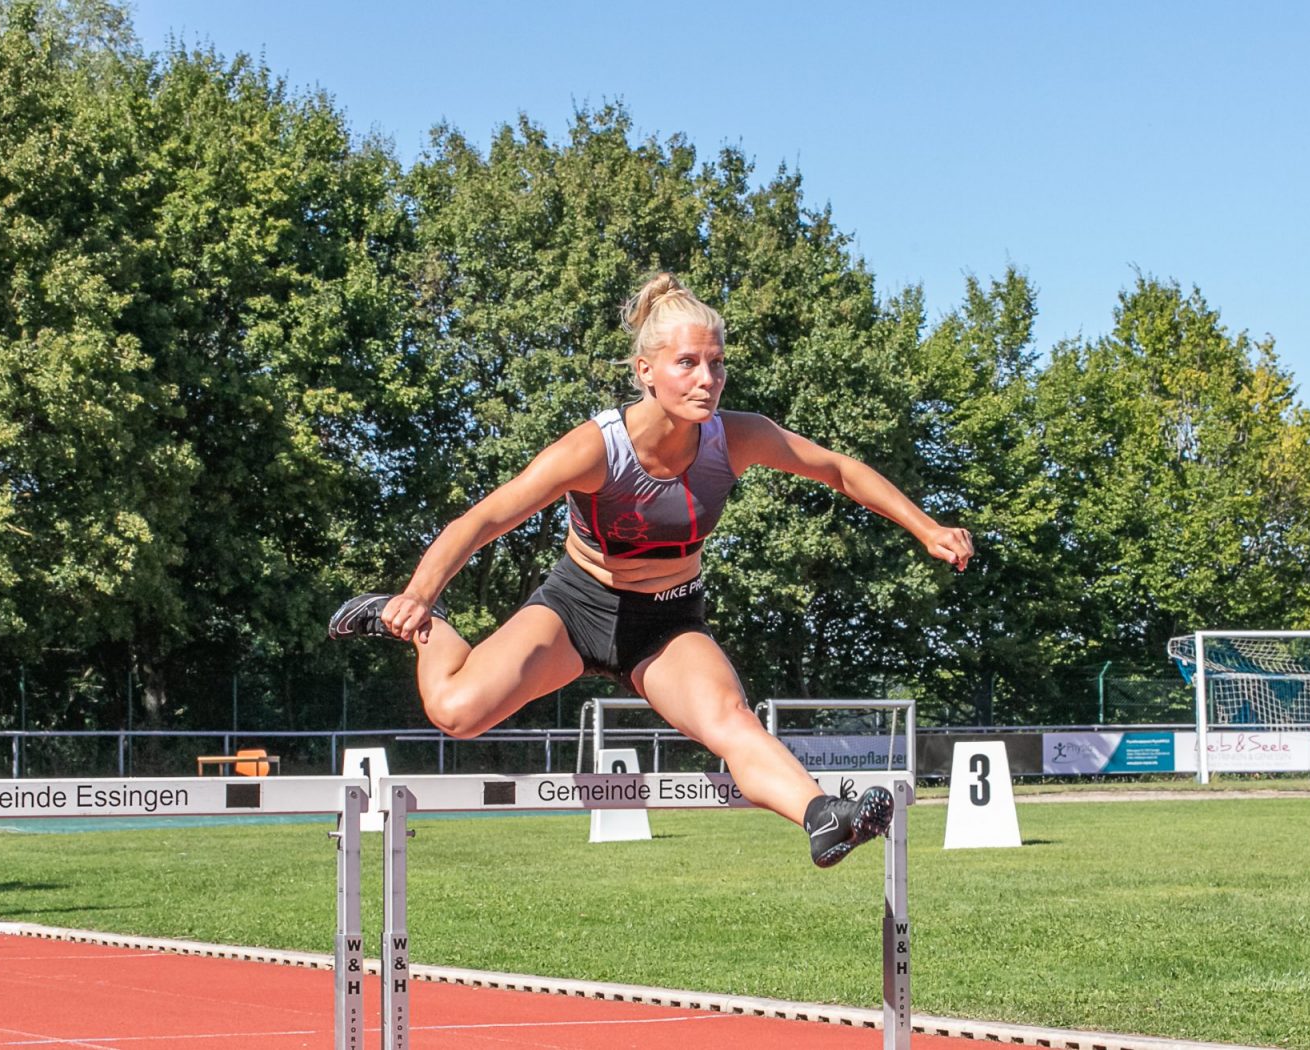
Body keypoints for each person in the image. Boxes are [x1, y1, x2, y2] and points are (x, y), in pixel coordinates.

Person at [329, 272, 973, 867]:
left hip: (667, 620)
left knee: (730, 720)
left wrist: (926, 527)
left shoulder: (735, 437)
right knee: (456, 712)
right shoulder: (595, 448)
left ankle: (824, 815)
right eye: (687, 364)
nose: (706, 380)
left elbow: (837, 469)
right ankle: (421, 625)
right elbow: (484, 520)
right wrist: (420, 592)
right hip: (576, 608)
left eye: (716, 365)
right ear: (646, 371)